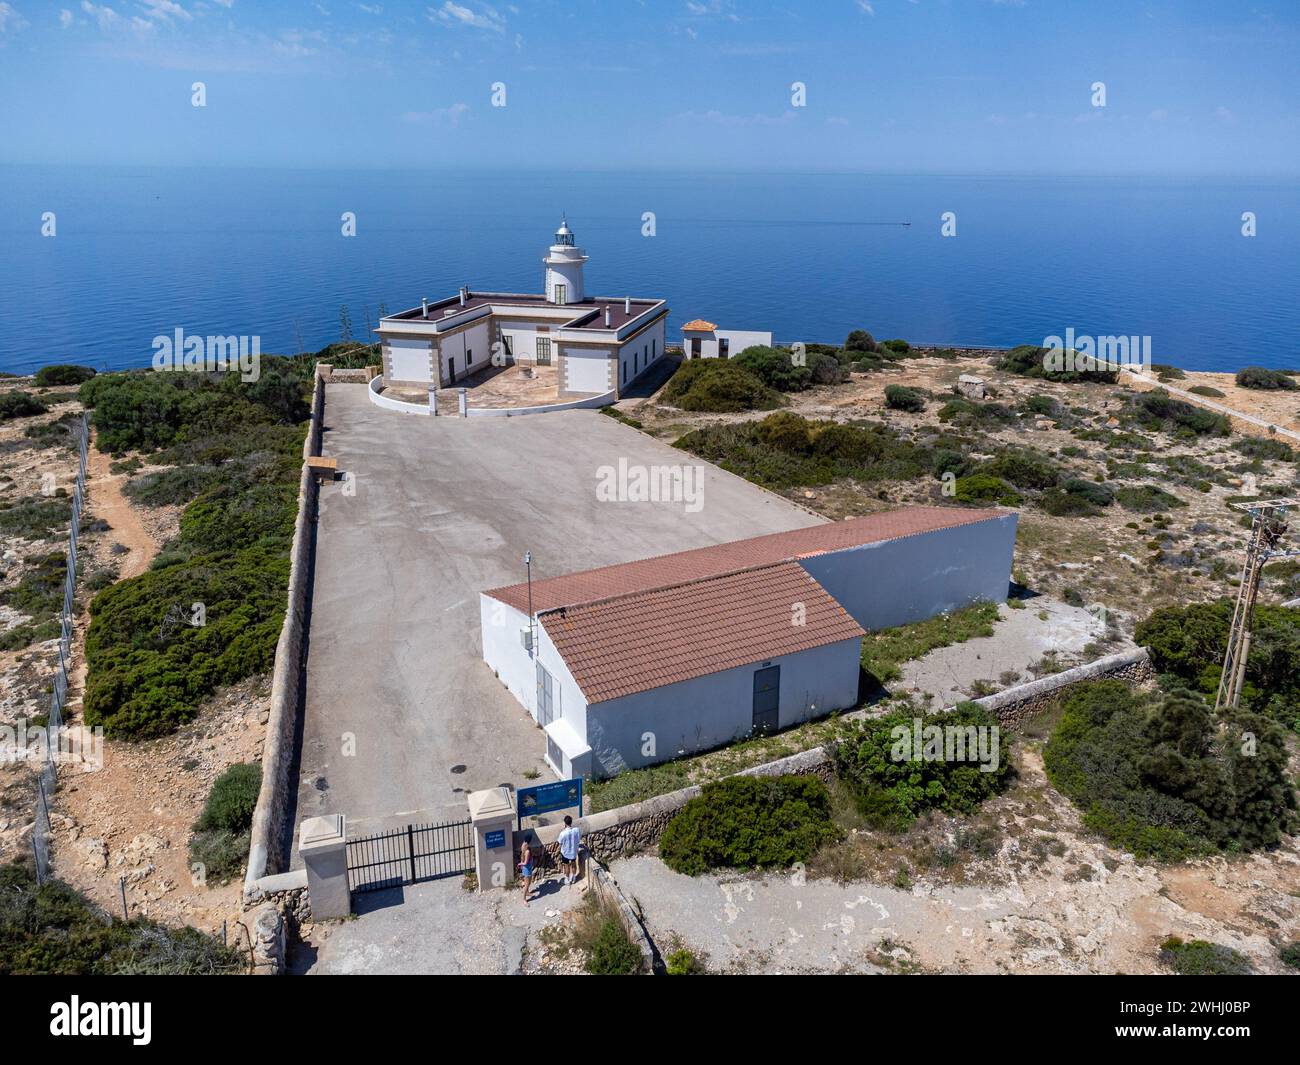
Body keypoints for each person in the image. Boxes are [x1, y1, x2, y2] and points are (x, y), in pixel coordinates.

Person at [557, 815, 581, 885]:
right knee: (573, 865)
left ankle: (567, 880)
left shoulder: (562, 833)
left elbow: (560, 843)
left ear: (565, 823)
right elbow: (578, 839)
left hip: (565, 853)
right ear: (571, 822)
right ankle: (573, 878)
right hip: (573, 851)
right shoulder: (576, 830)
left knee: (566, 866)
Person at [518, 838, 535, 906]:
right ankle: (524, 899)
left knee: (529, 881)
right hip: (527, 869)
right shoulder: (527, 851)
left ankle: (527, 892)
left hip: (528, 868)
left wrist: (521, 863)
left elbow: (522, 858)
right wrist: (520, 864)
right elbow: (525, 862)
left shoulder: (523, 846)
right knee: (526, 884)